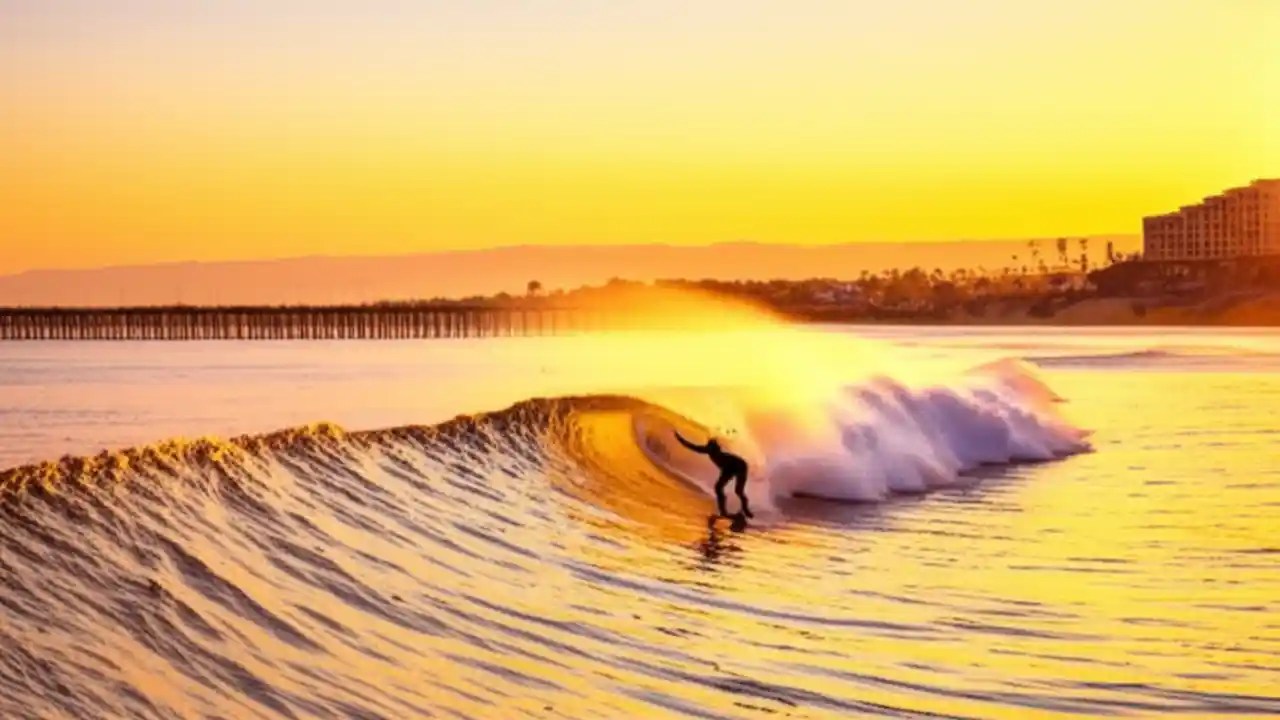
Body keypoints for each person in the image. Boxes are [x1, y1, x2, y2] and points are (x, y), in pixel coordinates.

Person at [674, 431, 752, 519]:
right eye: (709, 447)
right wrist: (680, 439)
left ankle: (745, 509)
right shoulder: (709, 450)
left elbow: (731, 469)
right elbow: (694, 447)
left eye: (712, 447)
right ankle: (723, 511)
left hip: (740, 466)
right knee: (718, 488)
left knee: (738, 491)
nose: (709, 449)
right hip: (728, 469)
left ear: (716, 448)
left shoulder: (720, 454)